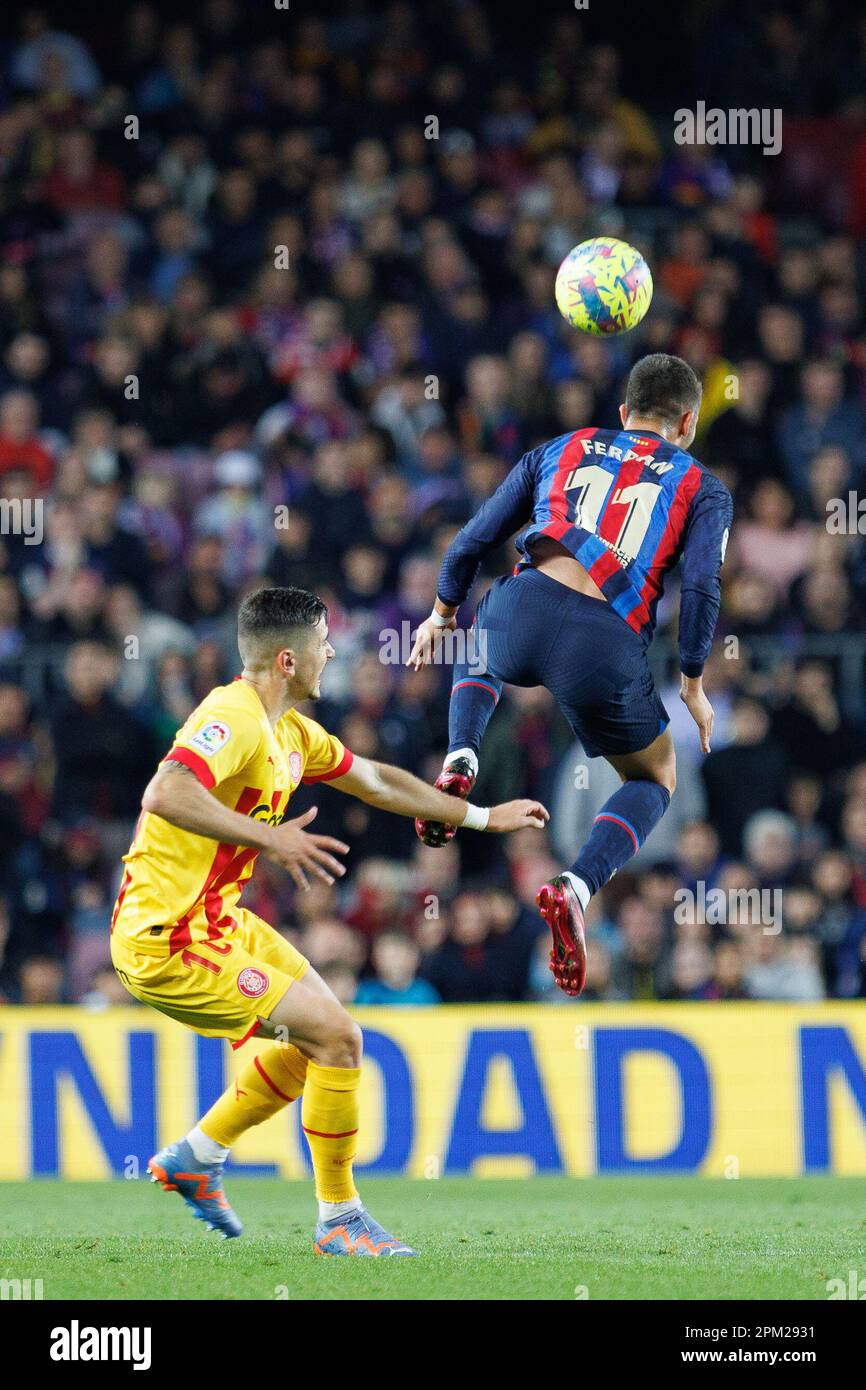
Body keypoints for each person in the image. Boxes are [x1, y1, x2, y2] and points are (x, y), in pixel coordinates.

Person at [110, 585, 547, 1256]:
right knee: (339, 1039)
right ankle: (339, 1222)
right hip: (165, 937)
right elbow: (165, 791)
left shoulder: (292, 732)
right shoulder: (233, 714)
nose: (333, 653)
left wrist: (482, 817)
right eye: (322, 644)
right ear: (287, 660)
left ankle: (197, 1156)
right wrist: (270, 839)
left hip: (217, 921)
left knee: (326, 1037)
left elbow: (376, 781)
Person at [408, 353, 732, 998]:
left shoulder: (563, 445)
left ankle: (462, 754)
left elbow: (470, 540)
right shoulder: (702, 485)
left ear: (622, 413)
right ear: (688, 423)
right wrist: (691, 682)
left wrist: (440, 611)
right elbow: (699, 587)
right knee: (655, 776)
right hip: (605, 639)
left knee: (479, 636)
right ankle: (575, 886)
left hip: (526, 603)